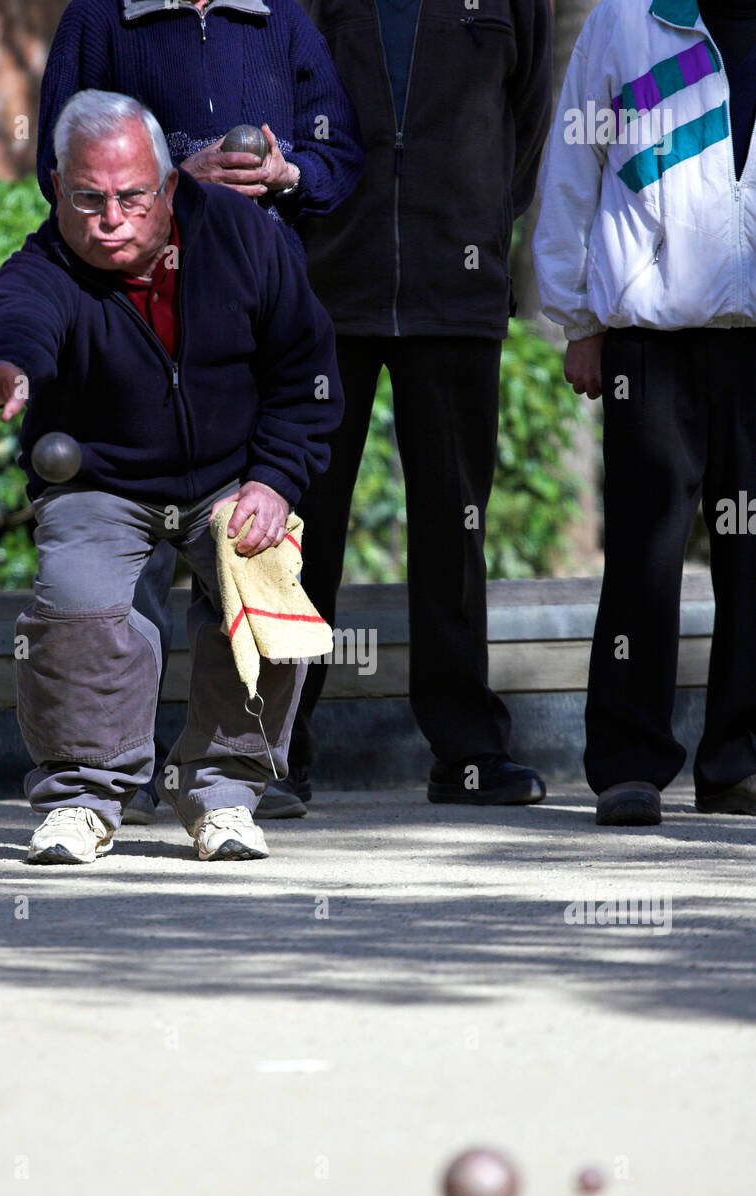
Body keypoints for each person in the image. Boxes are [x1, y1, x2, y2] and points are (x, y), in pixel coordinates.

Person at [0, 91, 341, 864]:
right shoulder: (43, 268)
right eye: (89, 198)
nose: (111, 219)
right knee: (79, 606)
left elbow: (307, 373)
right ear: (60, 190)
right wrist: (6, 363)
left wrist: (273, 480)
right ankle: (83, 798)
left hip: (233, 476)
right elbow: (20, 320)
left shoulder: (240, 237)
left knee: (269, 586)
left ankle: (224, 794)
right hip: (102, 482)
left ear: (167, 186)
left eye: (132, 197)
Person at [35, 0, 363, 823]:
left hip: (247, 322)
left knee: (255, 563)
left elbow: (340, 158)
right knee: (119, 583)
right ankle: (116, 779)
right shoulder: (99, 20)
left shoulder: (281, 19)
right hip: (127, 321)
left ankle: (230, 786)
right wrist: (177, 175)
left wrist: (286, 175)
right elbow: (55, 162)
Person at [284, 0, 553, 809]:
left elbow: (529, 118)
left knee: (454, 525)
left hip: (455, 289)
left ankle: (468, 753)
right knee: (304, 524)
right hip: (328, 289)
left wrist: (476, 221)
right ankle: (275, 747)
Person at [534, 0, 756, 827]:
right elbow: (571, 163)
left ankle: (740, 761)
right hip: (650, 339)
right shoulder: (626, 20)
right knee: (643, 557)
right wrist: (578, 318)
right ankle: (629, 763)